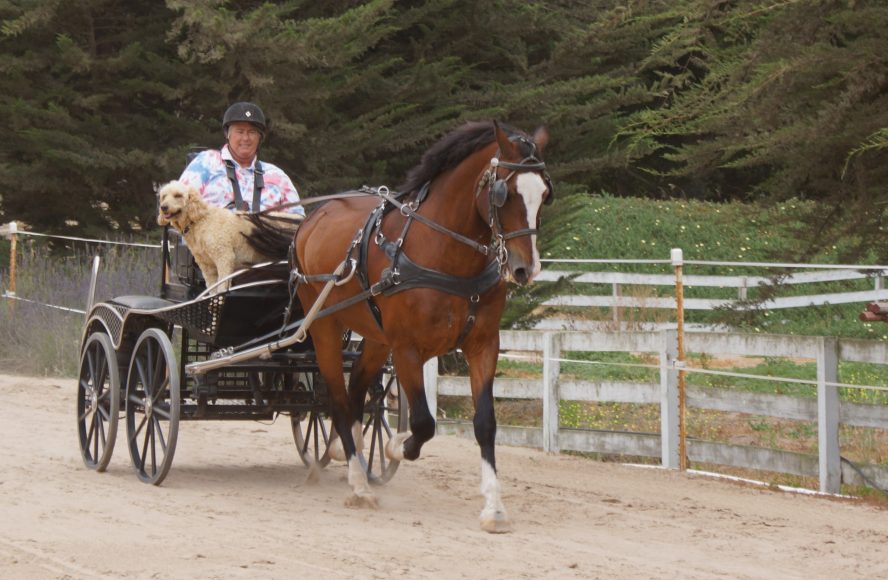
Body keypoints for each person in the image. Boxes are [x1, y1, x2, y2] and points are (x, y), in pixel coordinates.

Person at [179, 101, 304, 216]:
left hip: (265, 239)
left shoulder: (277, 176)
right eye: (240, 131)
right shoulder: (206, 162)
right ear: (227, 134)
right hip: (210, 238)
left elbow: (297, 221)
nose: (246, 138)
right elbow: (177, 205)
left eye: (252, 132)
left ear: (260, 137)